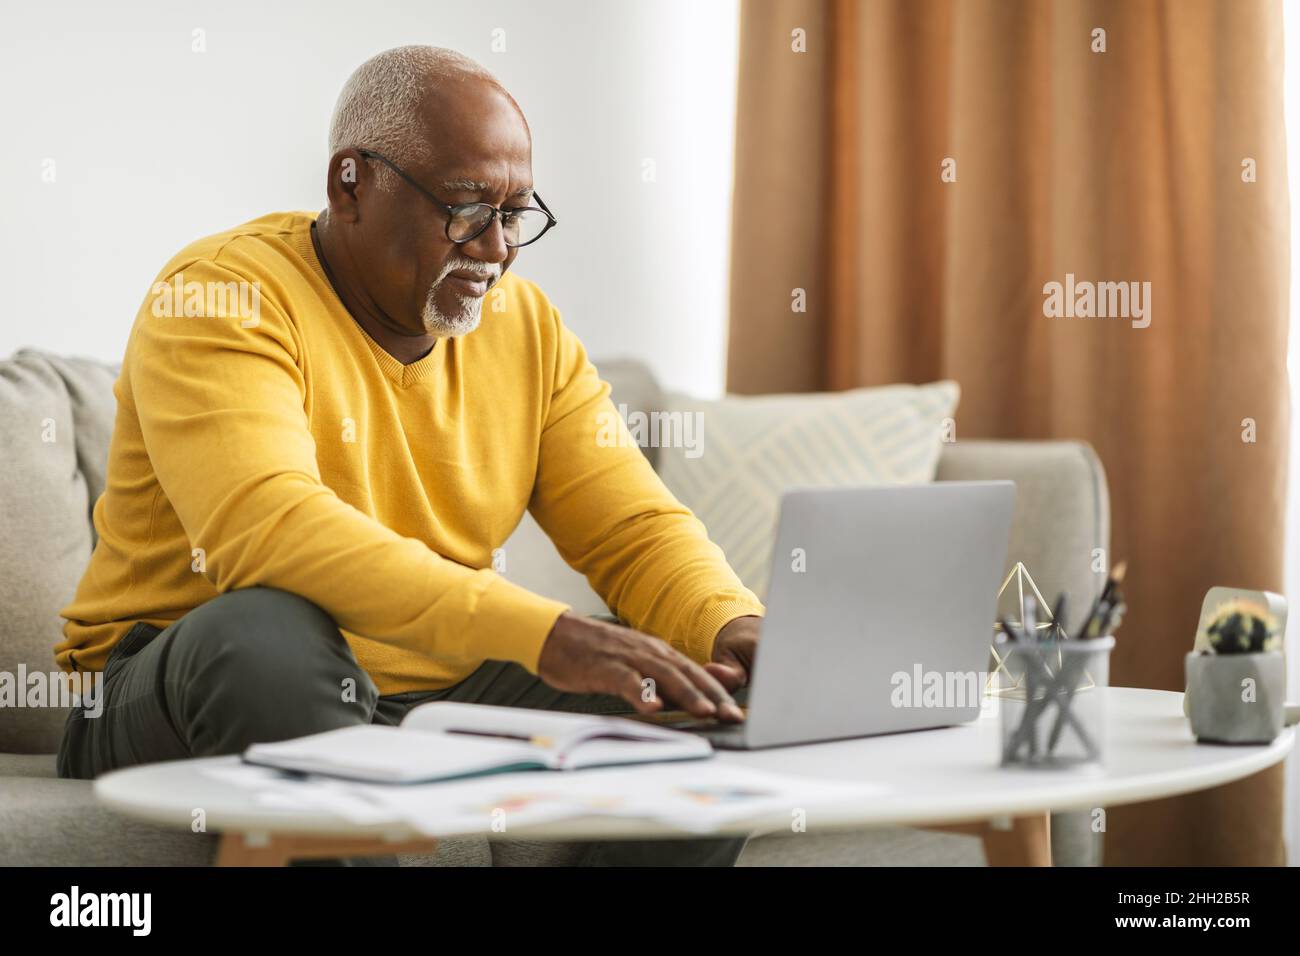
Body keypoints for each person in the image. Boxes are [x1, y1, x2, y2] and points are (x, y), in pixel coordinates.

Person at [54, 46, 764, 866]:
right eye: (466, 208)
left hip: (431, 683)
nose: (496, 248)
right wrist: (543, 633)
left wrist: (729, 621)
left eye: (515, 213)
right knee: (263, 633)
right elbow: (268, 531)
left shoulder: (526, 329)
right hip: (182, 680)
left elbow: (632, 528)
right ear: (349, 184)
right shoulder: (223, 295)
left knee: (692, 698)